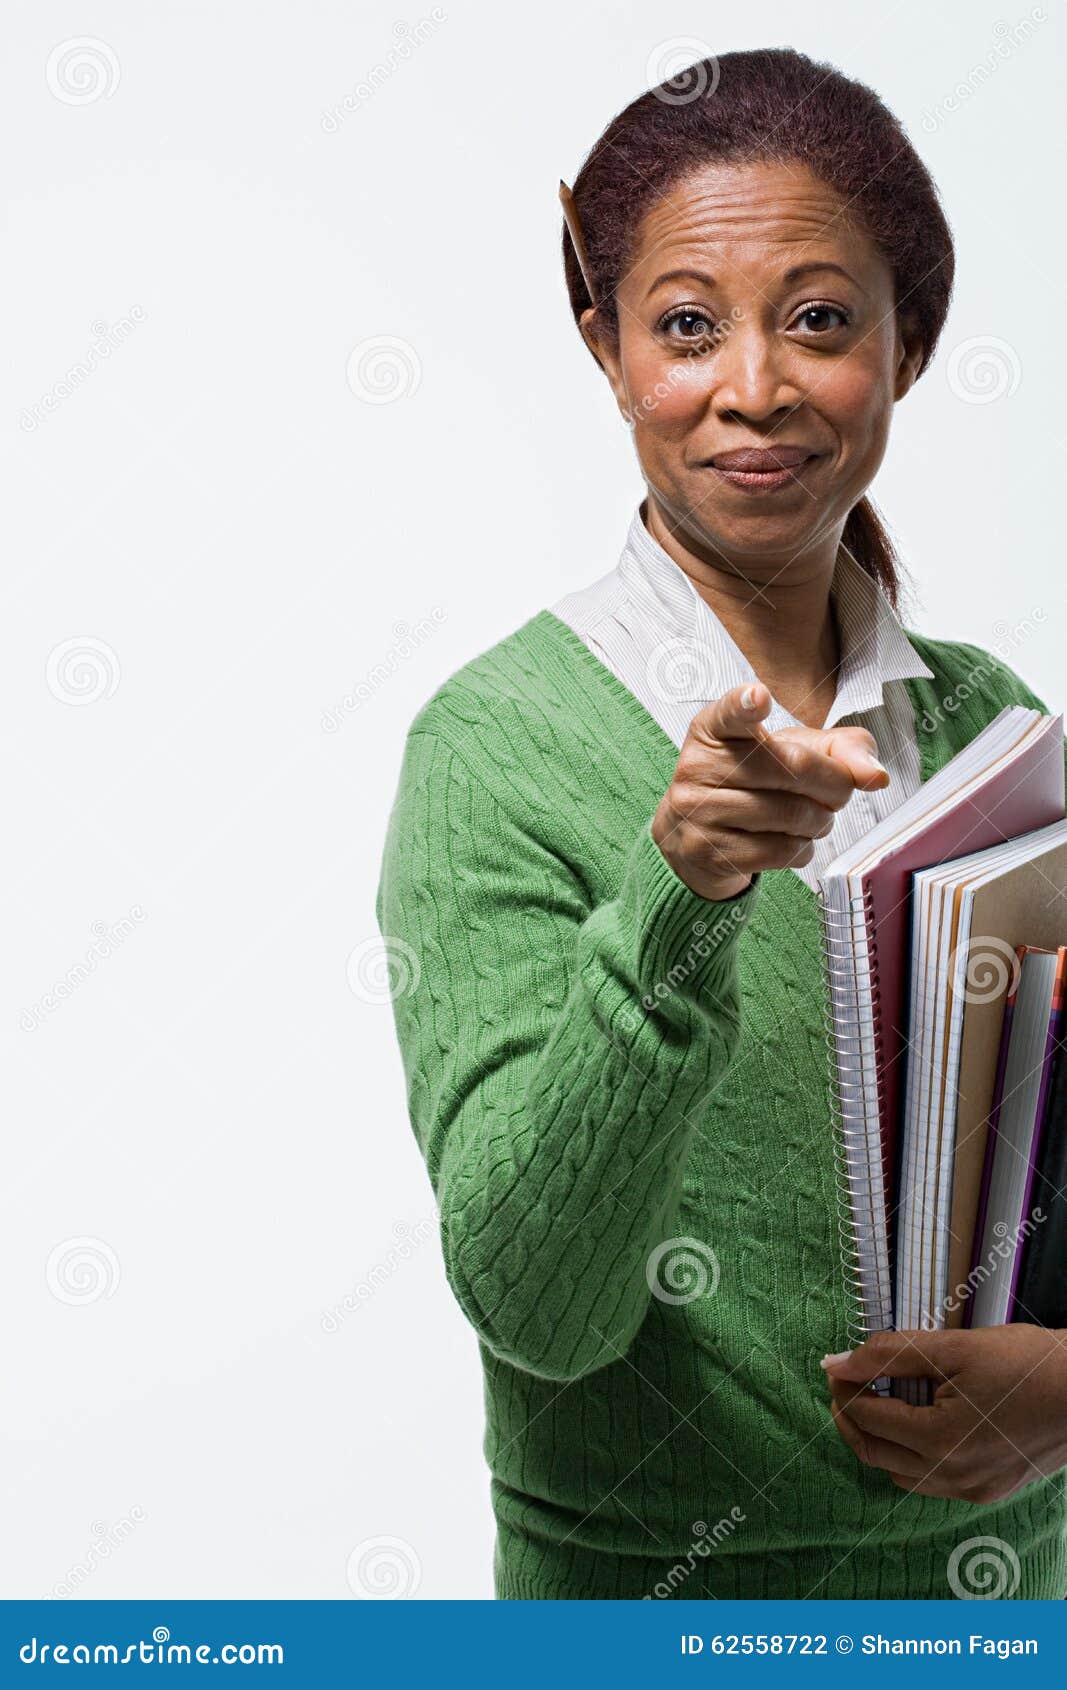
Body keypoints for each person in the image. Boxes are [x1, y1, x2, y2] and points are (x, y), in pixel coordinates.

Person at [376, 47, 1067, 1599]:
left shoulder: (997, 729)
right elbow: (536, 1303)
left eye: (820, 318)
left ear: (910, 342)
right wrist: (680, 893)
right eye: (687, 325)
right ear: (605, 344)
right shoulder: (495, 749)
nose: (753, 384)